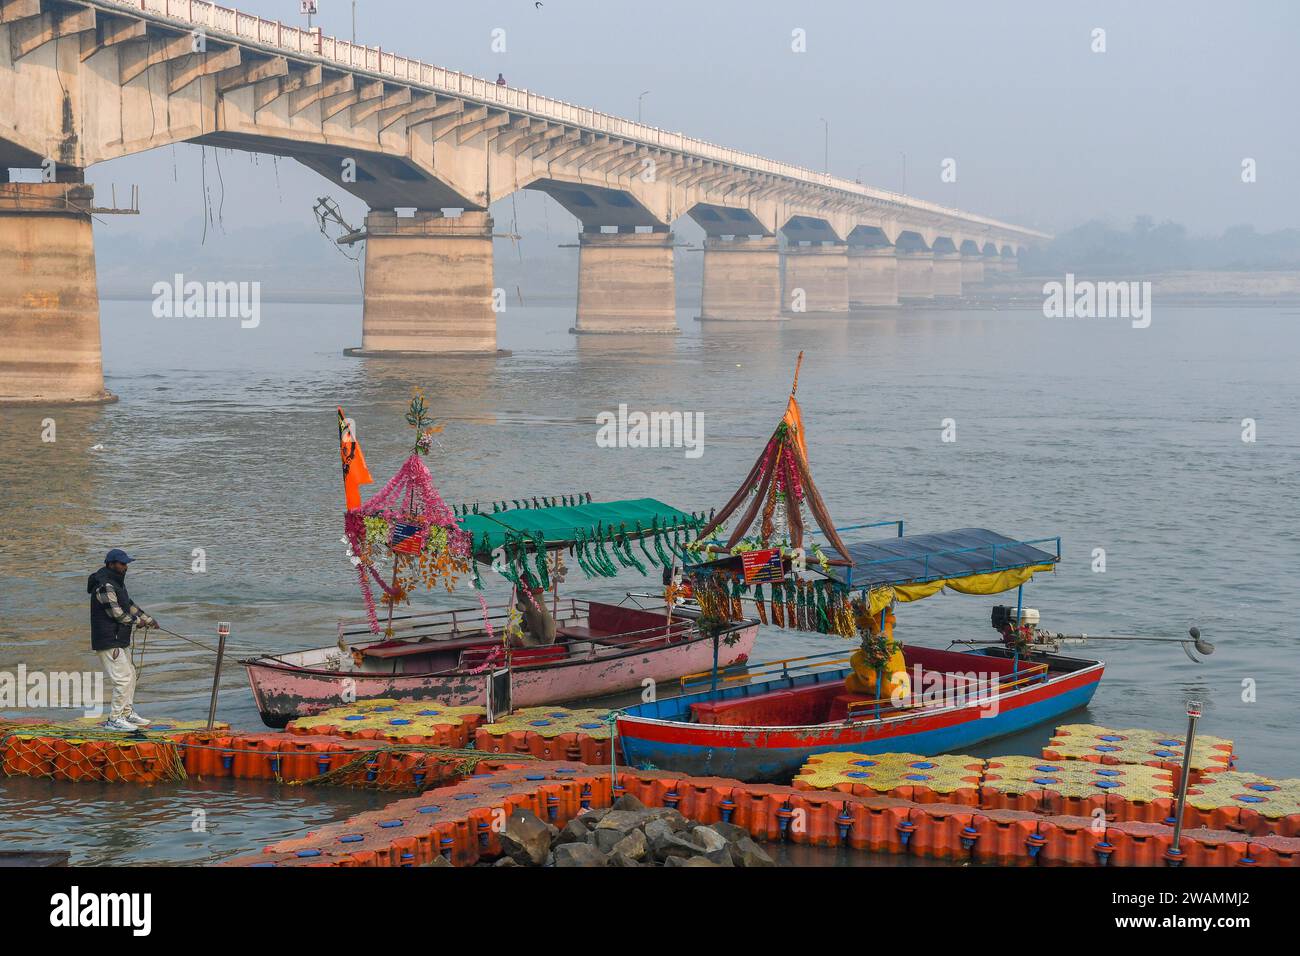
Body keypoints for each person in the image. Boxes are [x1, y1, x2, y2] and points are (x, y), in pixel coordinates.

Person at [87, 549, 158, 731]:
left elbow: (129, 605)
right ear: (111, 564)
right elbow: (117, 614)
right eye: (122, 563)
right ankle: (114, 719)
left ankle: (127, 713)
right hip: (109, 640)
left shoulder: (117, 583)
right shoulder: (104, 586)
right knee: (122, 680)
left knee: (131, 675)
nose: (125, 567)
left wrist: (149, 620)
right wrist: (137, 621)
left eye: (126, 564)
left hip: (119, 639)